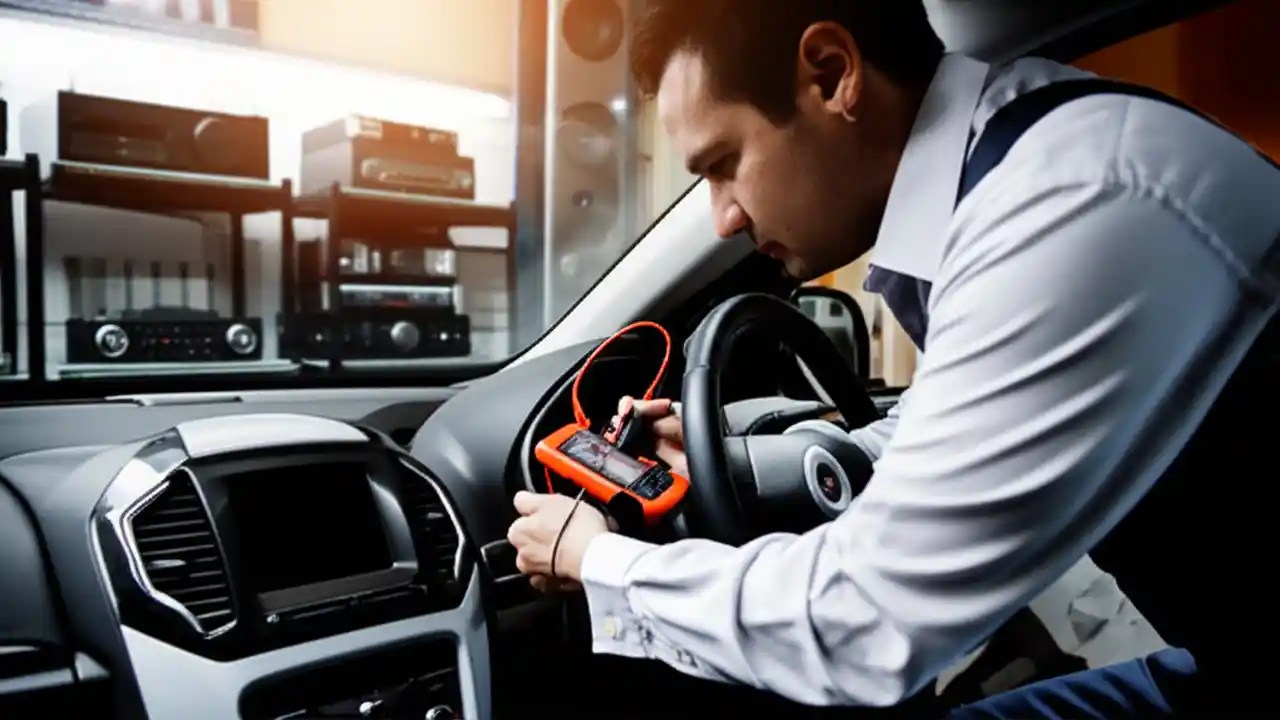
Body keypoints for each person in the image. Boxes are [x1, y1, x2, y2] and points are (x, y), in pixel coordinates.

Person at [506, 0, 1280, 716]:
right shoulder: (1007, 174)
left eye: (722, 164)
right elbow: (952, 416)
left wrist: (599, 562)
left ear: (831, 74)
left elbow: (864, 625)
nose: (722, 219)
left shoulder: (1070, 199)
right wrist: (749, 461)